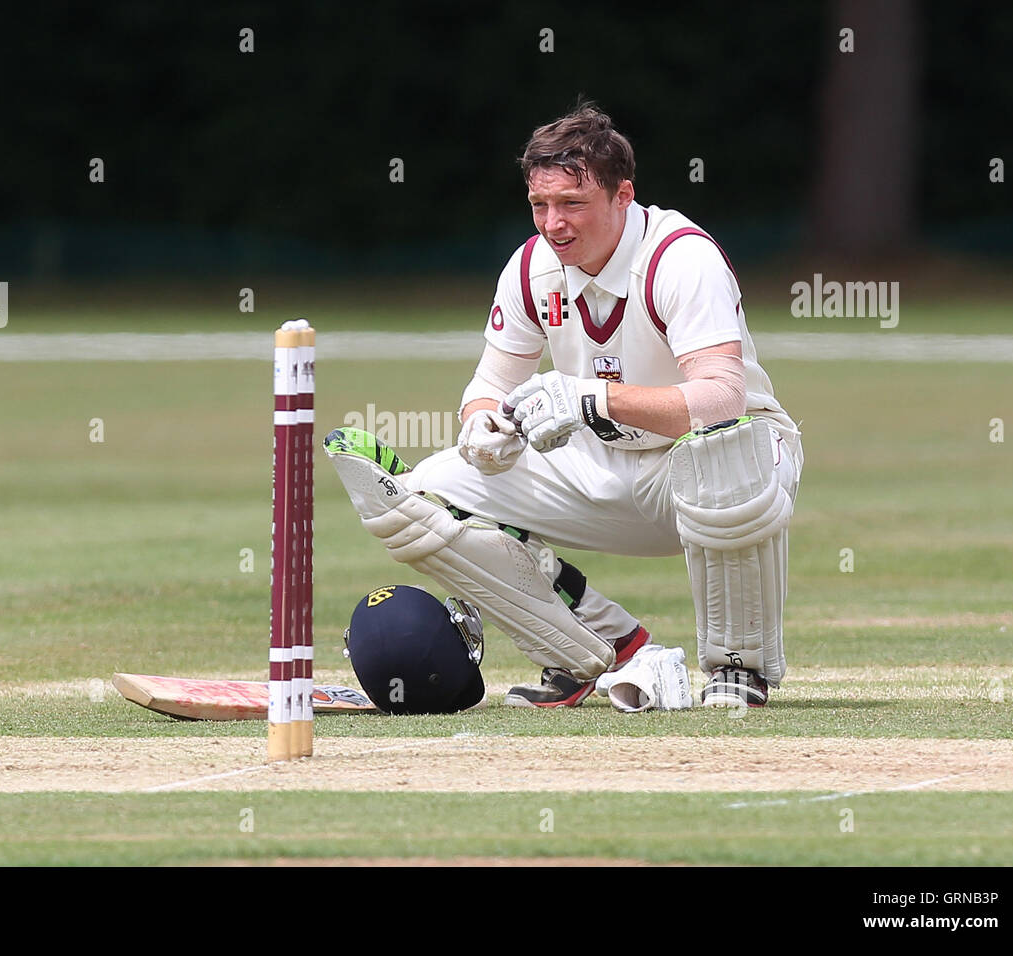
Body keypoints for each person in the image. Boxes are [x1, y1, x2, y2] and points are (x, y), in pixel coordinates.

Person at [325, 102, 802, 710]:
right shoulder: (531, 268)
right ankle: (595, 655)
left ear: (623, 194)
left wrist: (593, 398)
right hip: (603, 463)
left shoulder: (680, 257)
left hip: (723, 472)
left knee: (721, 447)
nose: (553, 224)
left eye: (572, 203)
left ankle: (739, 667)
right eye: (539, 205)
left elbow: (721, 397)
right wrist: (482, 427)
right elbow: (489, 382)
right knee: (419, 499)